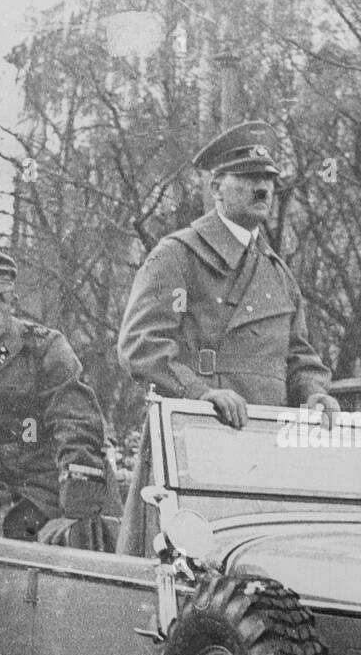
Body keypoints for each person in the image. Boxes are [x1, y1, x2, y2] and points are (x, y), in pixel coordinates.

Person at [118, 120, 338, 430]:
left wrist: (314, 393)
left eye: (269, 179)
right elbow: (142, 346)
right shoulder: (177, 256)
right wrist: (199, 393)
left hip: (270, 443)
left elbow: (299, 359)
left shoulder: (279, 275)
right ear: (217, 188)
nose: (263, 188)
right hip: (198, 438)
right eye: (248, 177)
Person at [0, 248, 112, 547]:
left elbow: (76, 428)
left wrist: (74, 513)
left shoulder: (45, 348)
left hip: (54, 493)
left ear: (12, 302)